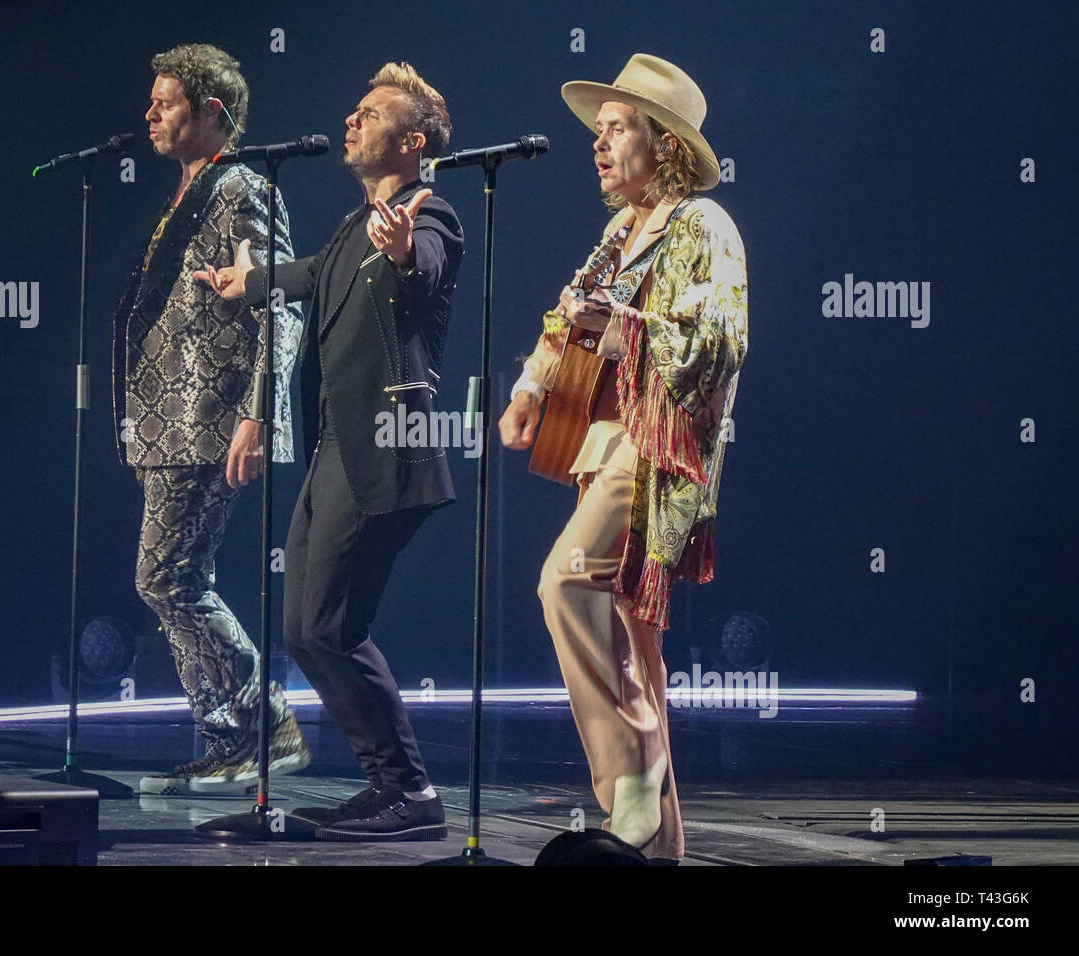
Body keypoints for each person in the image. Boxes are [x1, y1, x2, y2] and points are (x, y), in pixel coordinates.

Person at [498, 54, 749, 862]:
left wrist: (623, 332)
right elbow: (565, 316)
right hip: (600, 446)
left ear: (663, 143)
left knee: (567, 580)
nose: (598, 147)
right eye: (599, 133)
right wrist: (533, 388)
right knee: (635, 648)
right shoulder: (620, 232)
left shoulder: (702, 226)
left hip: (653, 448)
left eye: (616, 130)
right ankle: (659, 850)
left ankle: (626, 779)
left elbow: (718, 341)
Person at [204, 62, 463, 840]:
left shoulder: (431, 212)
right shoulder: (355, 225)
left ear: (411, 141)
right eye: (352, 109)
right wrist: (244, 283)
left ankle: (409, 793)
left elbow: (426, 265)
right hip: (335, 451)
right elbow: (310, 274)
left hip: (387, 449)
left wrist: (403, 251)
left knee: (331, 627)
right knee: (303, 631)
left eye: (370, 113)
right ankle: (389, 786)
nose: (351, 121)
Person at [110, 43, 308, 795]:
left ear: (211, 113)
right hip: (168, 419)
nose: (149, 114)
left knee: (165, 577)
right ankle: (233, 735)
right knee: (171, 578)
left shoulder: (241, 189)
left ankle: (264, 721)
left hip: (212, 416)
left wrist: (260, 411)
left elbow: (277, 304)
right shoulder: (186, 194)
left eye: (165, 103)